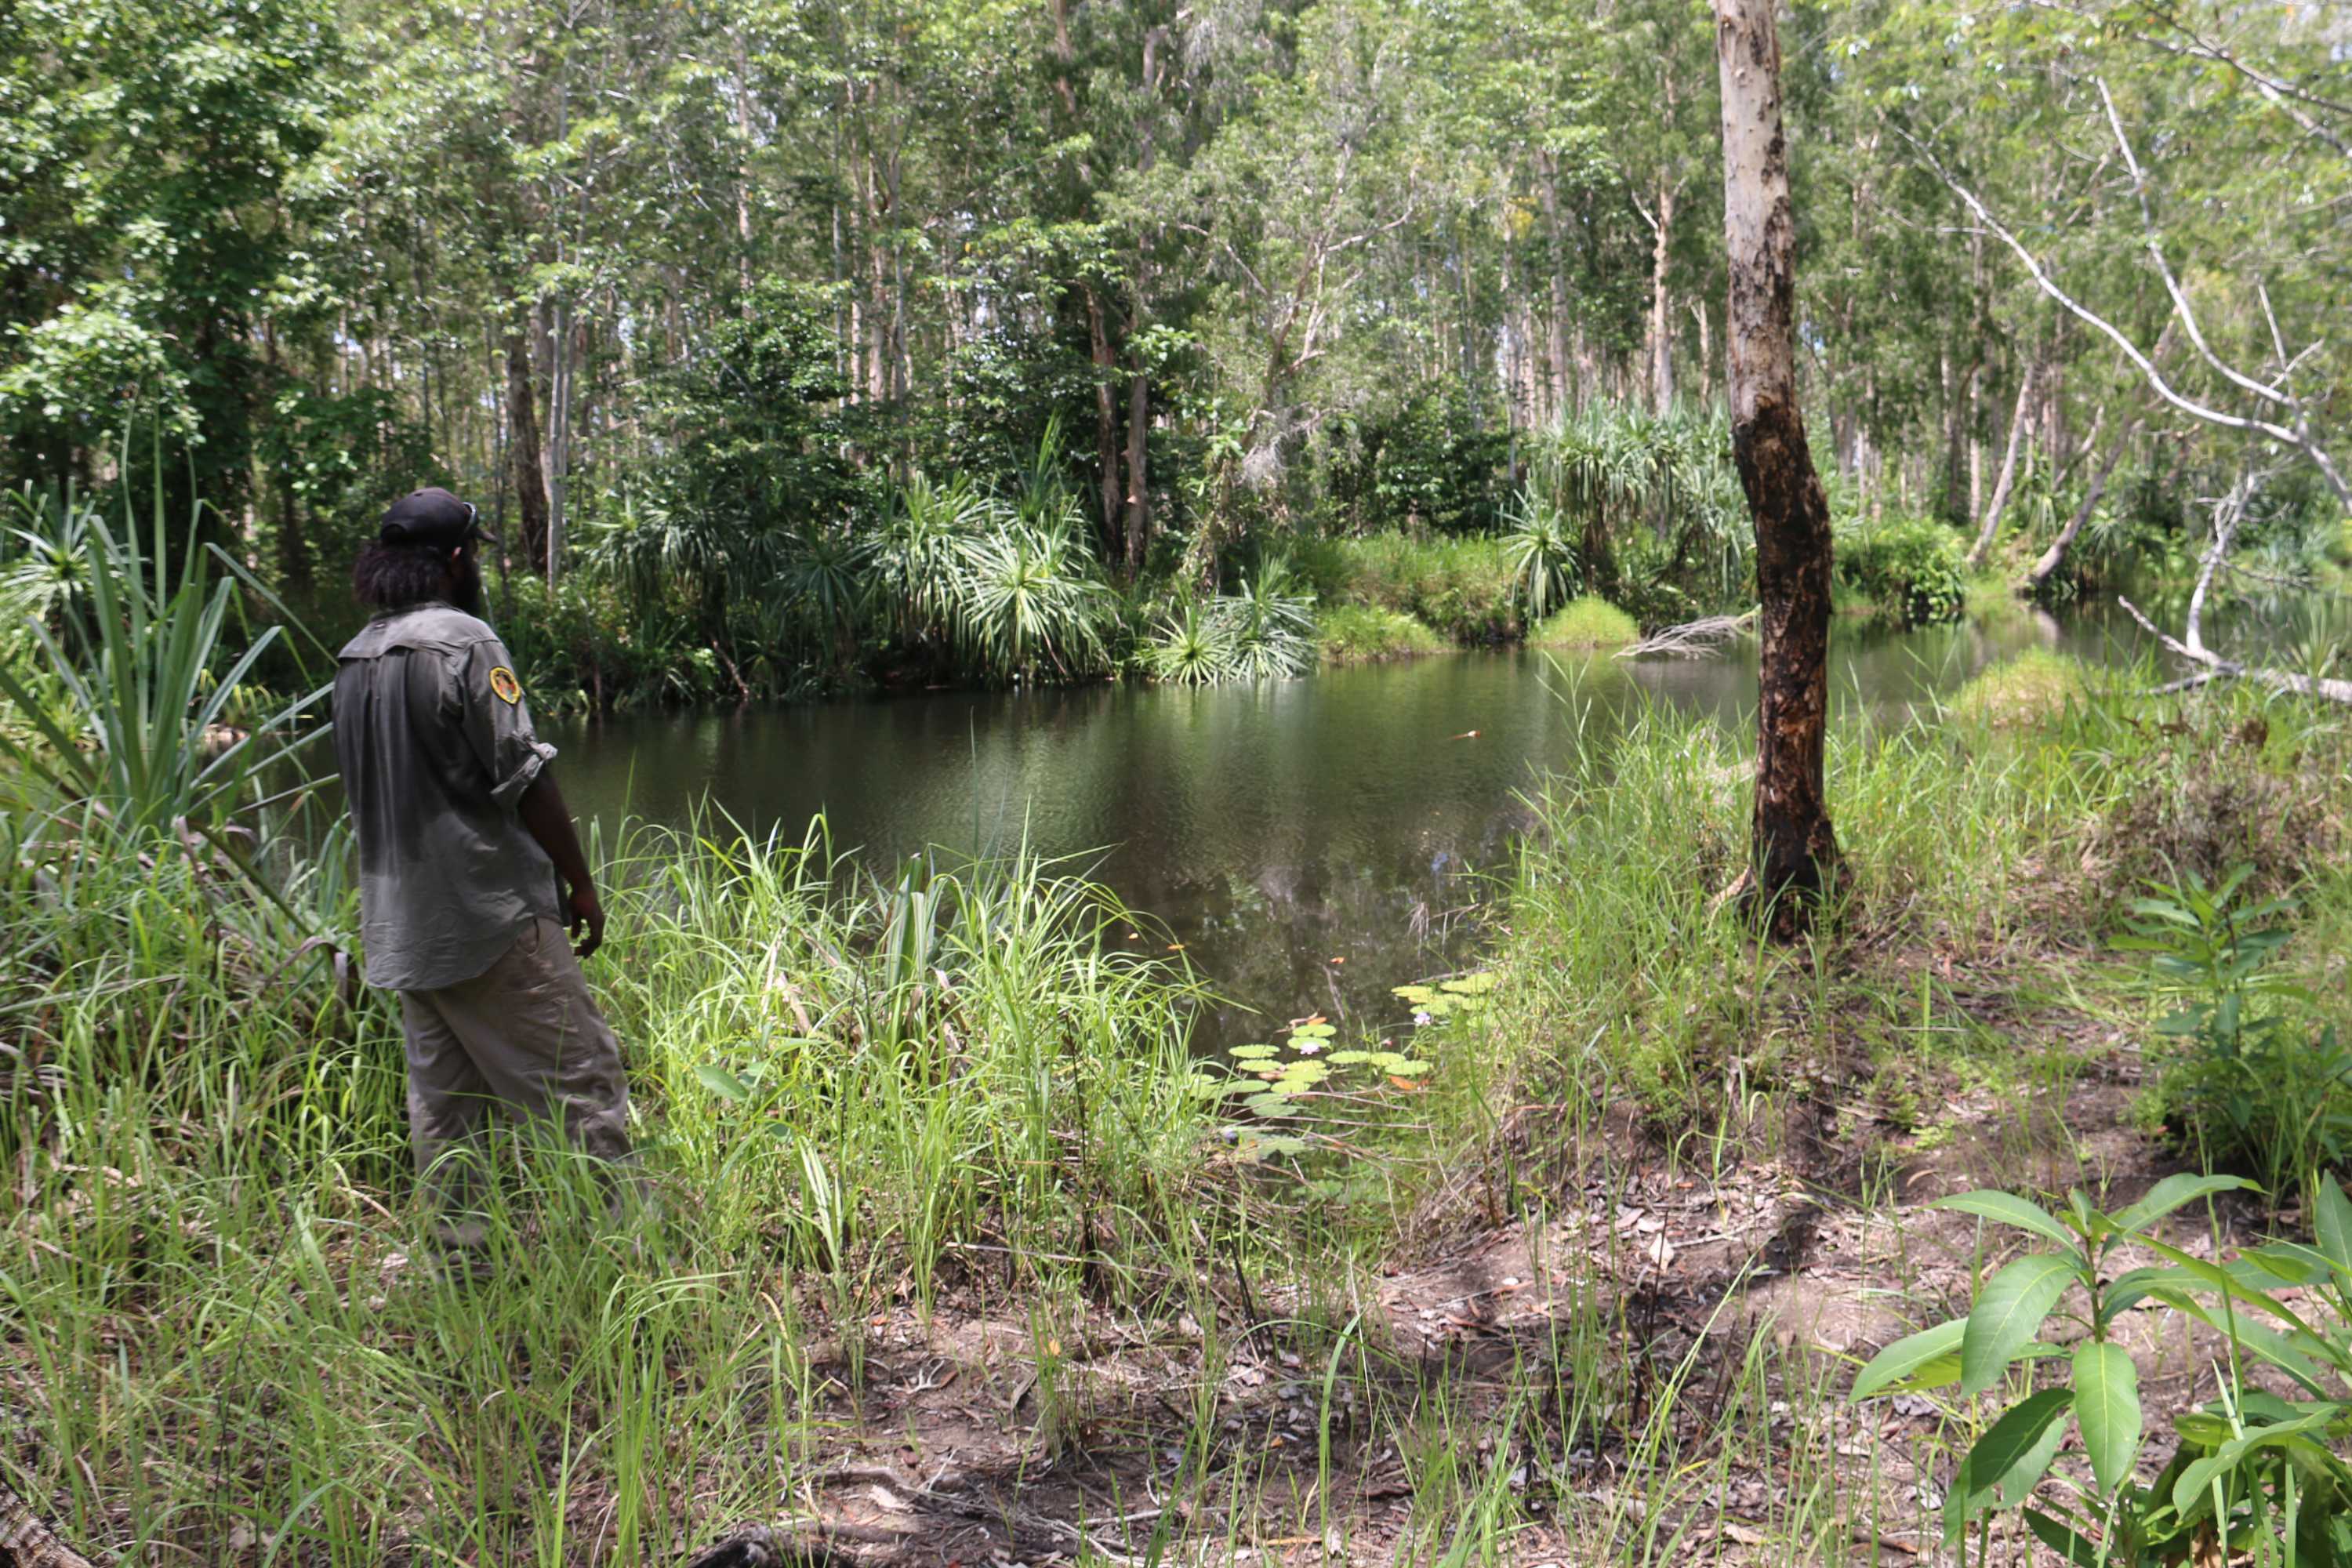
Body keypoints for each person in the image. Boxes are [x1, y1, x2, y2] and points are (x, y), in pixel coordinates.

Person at [332, 486, 633, 1256]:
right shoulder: (465, 642)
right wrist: (581, 884)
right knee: (580, 1077)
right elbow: (525, 775)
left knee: (446, 1108)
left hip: (403, 928)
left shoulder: (357, 656)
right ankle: (628, 1254)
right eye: (476, 557)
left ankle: (459, 1264)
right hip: (488, 914)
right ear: (457, 559)